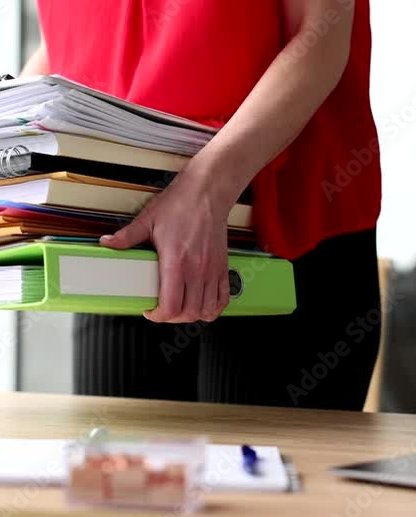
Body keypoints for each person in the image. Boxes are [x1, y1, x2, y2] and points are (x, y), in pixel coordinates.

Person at [21, 0, 382, 411]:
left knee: (260, 470)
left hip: (280, 230)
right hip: (118, 235)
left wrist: (204, 191)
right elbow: (72, 43)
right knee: (116, 470)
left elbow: (318, 38)